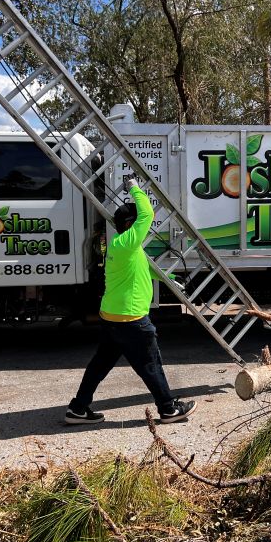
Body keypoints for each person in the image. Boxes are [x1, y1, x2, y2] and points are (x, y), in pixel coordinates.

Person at [65, 178, 197, 425]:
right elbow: (147, 212)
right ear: (129, 224)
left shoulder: (122, 246)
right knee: (151, 365)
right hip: (131, 319)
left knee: (99, 366)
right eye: (136, 222)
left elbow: (143, 268)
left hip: (112, 318)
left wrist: (169, 279)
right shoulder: (127, 242)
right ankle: (168, 409)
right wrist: (134, 187)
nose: (142, 224)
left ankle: (78, 409)